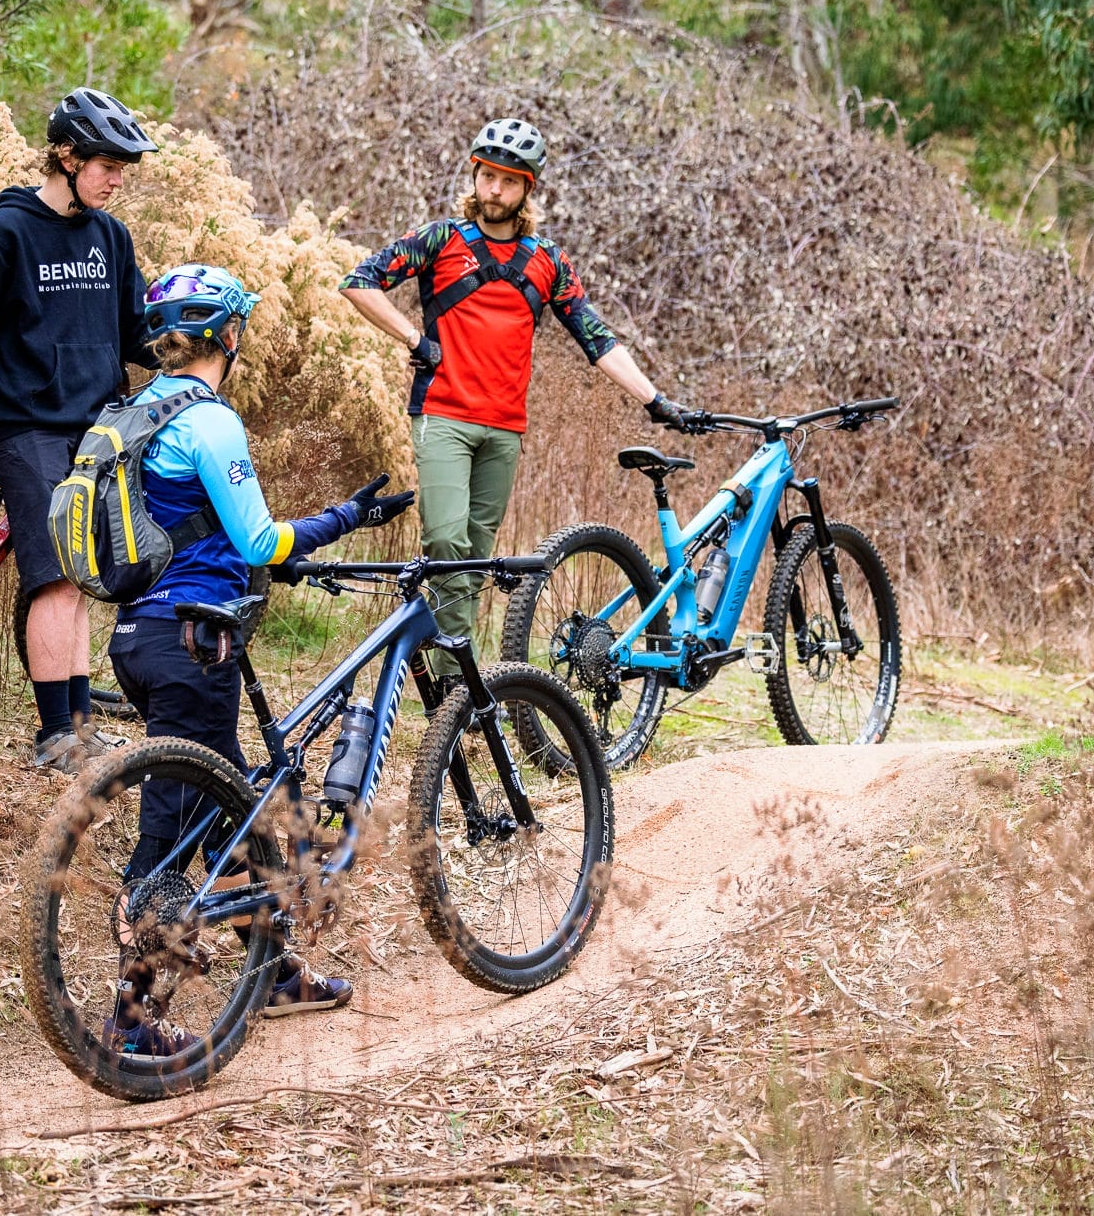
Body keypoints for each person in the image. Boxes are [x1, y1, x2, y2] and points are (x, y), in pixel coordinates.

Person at [105, 263, 414, 1056]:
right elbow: (261, 543)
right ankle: (132, 1029)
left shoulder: (135, 410)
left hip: (137, 640)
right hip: (192, 641)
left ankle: (272, 975)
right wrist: (348, 517)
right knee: (167, 842)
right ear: (230, 335)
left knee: (230, 813)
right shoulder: (209, 422)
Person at [338, 118, 700, 678]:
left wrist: (655, 401)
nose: (495, 190)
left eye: (509, 181)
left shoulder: (548, 261)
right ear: (475, 176)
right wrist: (415, 339)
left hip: (505, 428)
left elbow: (595, 337)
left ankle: (445, 681)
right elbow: (359, 281)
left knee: (475, 556)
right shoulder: (442, 240)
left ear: (528, 188)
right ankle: (465, 682)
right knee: (445, 540)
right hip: (443, 415)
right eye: (487, 177)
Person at [0, 86, 158, 772]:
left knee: (81, 577)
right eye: (109, 165)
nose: (118, 180)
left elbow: (136, 333)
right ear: (66, 154)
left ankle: (80, 730)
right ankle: (56, 738)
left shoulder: (110, 236)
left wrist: (195, 343)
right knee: (54, 580)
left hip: (97, 431)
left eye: (123, 168)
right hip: (26, 427)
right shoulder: (2, 234)